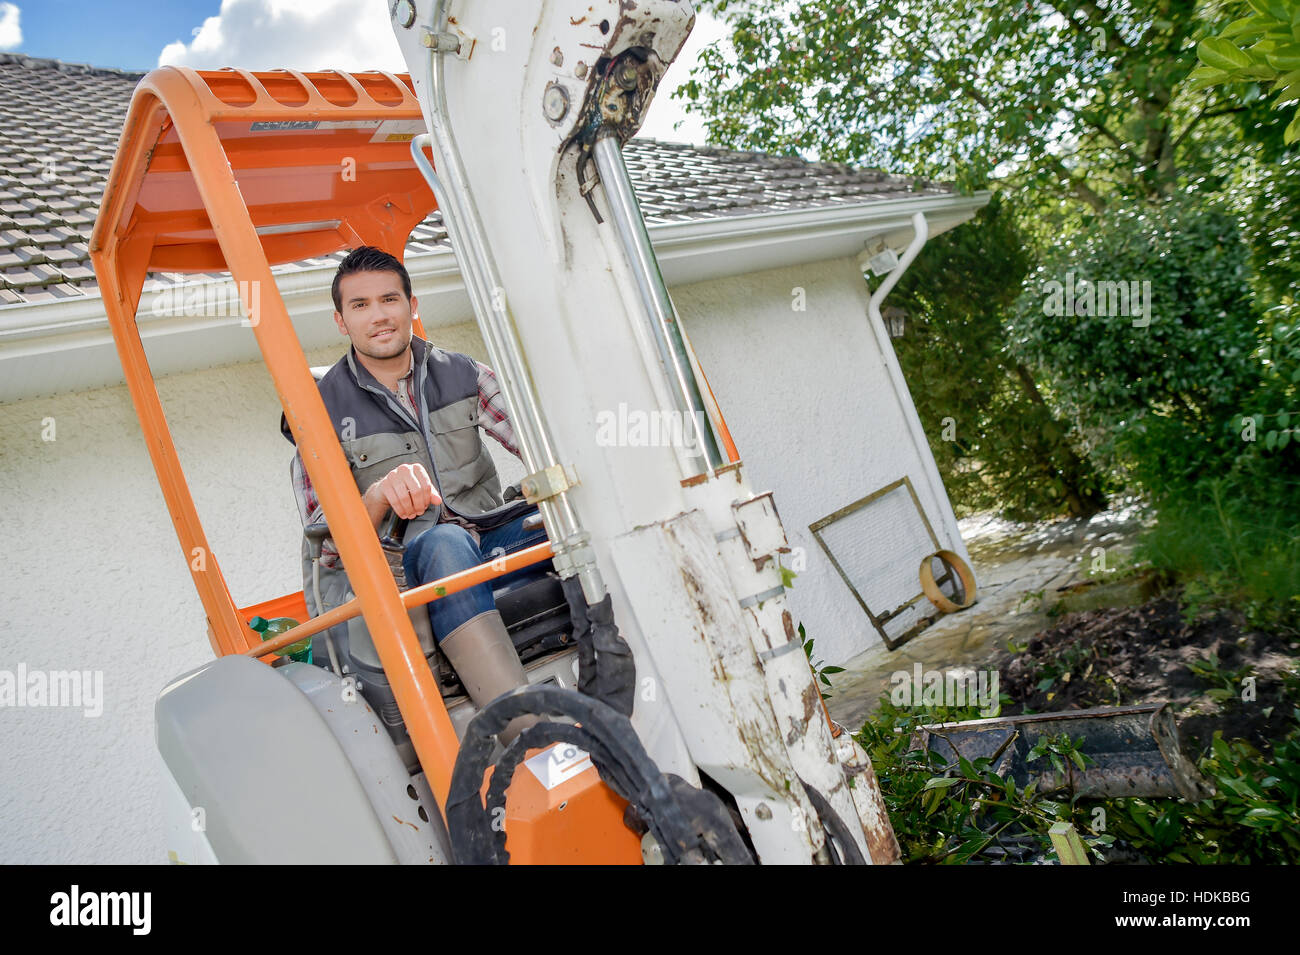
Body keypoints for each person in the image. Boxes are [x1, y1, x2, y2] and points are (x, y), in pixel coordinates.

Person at [282, 245, 546, 741]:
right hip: (403, 572)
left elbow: (543, 443)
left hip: (486, 544)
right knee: (442, 542)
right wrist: (379, 494)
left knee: (561, 515)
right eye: (360, 305)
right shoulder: (317, 415)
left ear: (412, 305)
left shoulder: (463, 374)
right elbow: (330, 549)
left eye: (389, 299)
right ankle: (530, 737)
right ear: (341, 321)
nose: (378, 316)